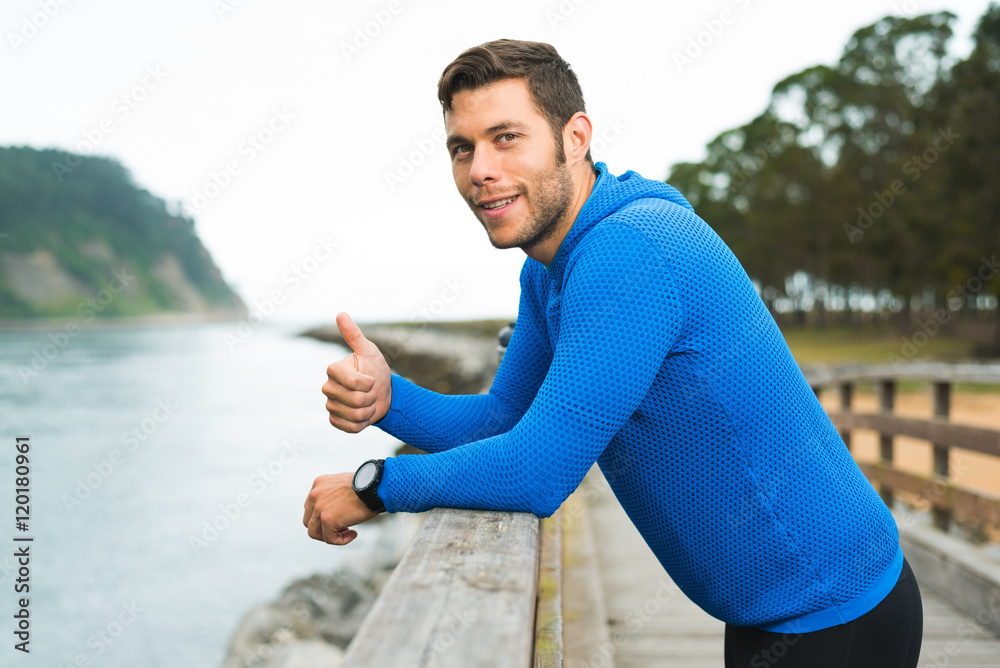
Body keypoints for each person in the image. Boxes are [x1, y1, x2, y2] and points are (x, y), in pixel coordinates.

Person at [302, 39, 923, 667]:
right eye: (462, 148)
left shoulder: (630, 250)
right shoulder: (552, 267)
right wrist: (390, 400)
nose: (479, 169)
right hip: (772, 610)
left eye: (506, 137)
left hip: (835, 611)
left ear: (575, 137)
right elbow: (506, 421)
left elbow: (537, 471)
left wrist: (377, 485)